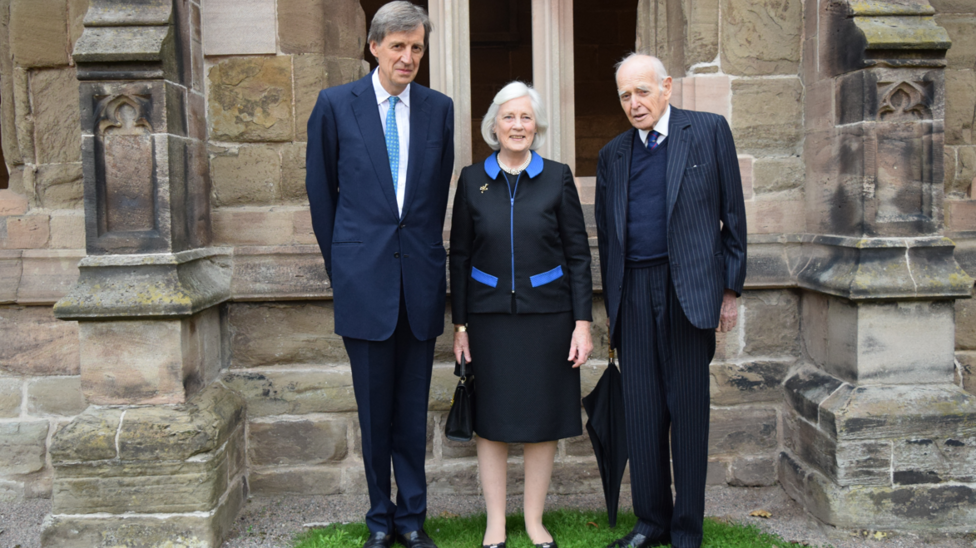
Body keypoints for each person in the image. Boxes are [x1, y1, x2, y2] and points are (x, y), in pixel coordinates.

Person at [304, 3, 454, 548]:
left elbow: (435, 199)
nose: (409, 57)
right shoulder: (335, 105)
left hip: (417, 283)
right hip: (362, 283)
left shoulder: (439, 109)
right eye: (398, 47)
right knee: (375, 411)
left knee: (411, 413)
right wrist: (342, 266)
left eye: (417, 47)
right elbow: (323, 196)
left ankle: (413, 519)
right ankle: (378, 518)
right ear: (374, 47)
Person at [594, 54, 747, 548]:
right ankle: (651, 523)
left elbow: (733, 217)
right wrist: (611, 307)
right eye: (624, 96)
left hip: (689, 291)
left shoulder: (707, 131)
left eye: (641, 92)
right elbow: (607, 235)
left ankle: (686, 531)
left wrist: (730, 289)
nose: (634, 104)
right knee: (641, 413)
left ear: (666, 87)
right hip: (633, 292)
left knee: (688, 415)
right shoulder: (612, 155)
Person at [450, 81, 594, 548]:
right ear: (494, 126)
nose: (518, 126)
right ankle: (495, 523)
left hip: (549, 319)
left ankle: (534, 521)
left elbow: (577, 255)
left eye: (526, 118)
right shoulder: (472, 180)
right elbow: (459, 256)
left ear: (537, 127)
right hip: (489, 321)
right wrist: (461, 325)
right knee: (490, 424)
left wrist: (582, 322)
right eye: (509, 117)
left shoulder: (557, 176)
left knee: (542, 423)